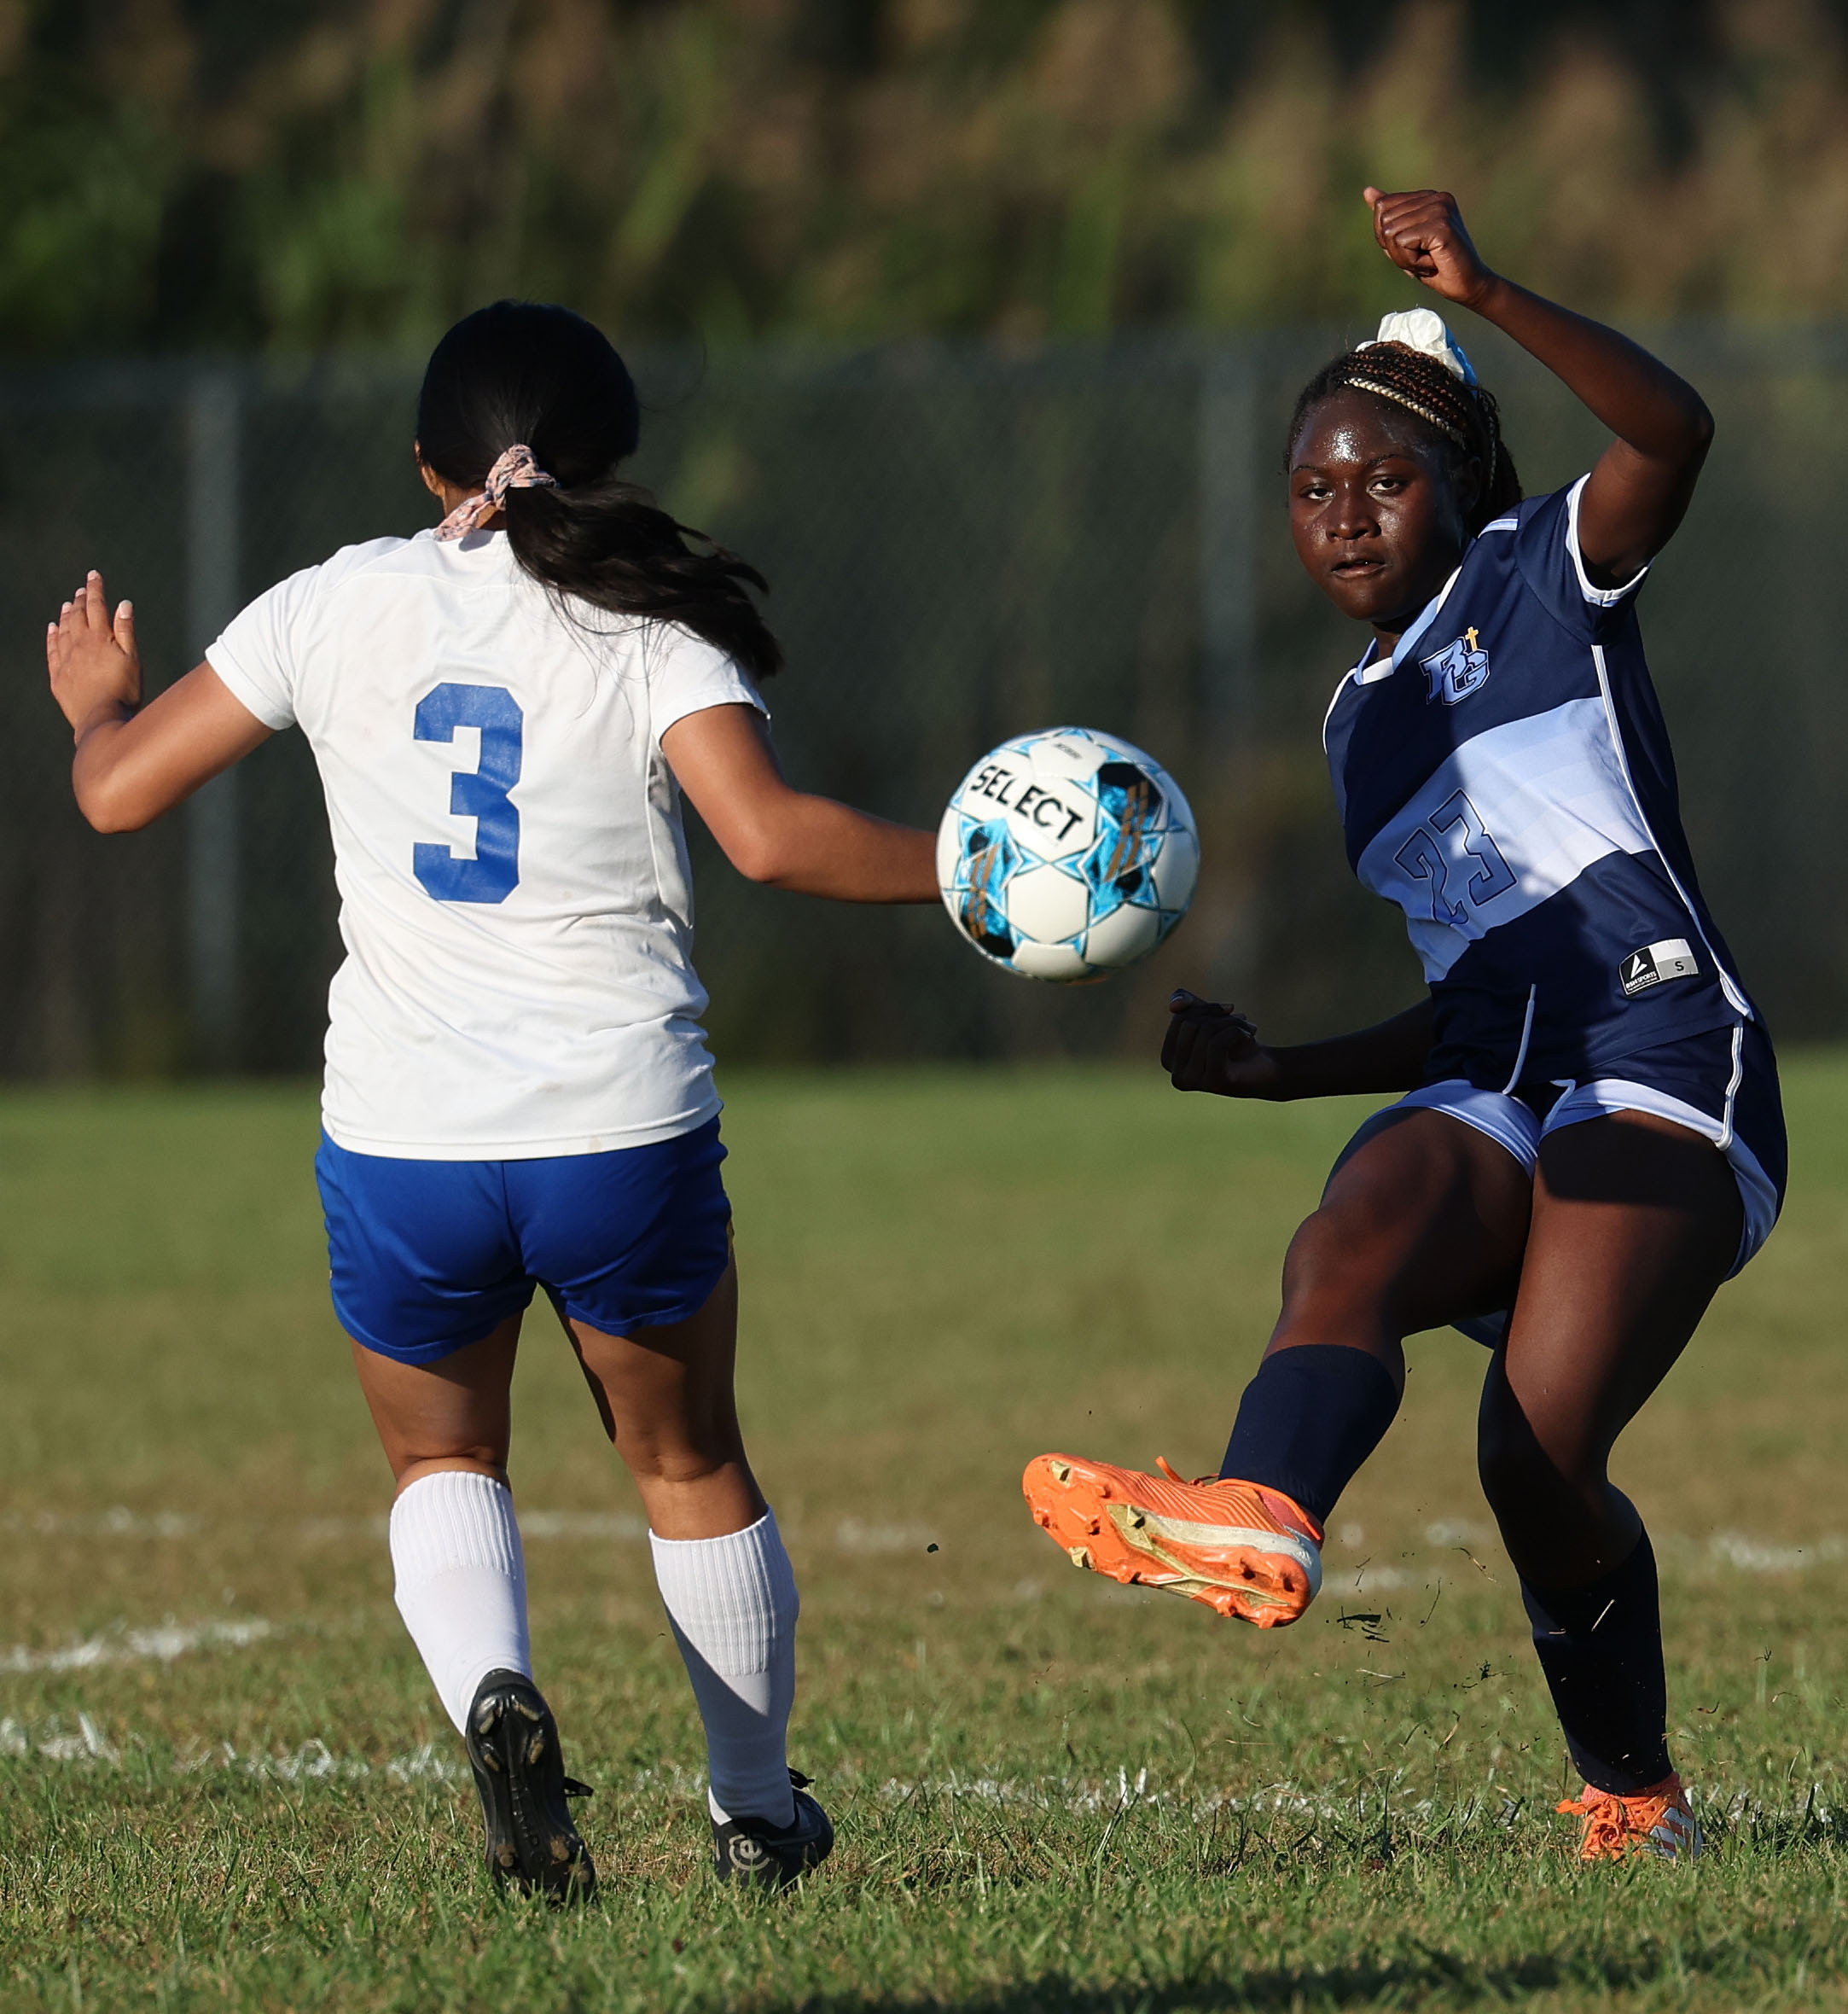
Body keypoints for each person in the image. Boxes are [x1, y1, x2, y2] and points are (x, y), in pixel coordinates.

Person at [45, 301, 940, 1900]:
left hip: (406, 1141)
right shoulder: (652, 625)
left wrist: (98, 702)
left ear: (425, 464)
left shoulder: (331, 602)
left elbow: (116, 796)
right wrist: (972, 871)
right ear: (608, 465)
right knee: (685, 1466)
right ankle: (752, 1814)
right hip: (618, 1127)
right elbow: (773, 839)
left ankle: (494, 1700)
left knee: (441, 1469)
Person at [1022, 188, 1785, 1864]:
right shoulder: (1358, 726)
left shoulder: (1548, 569)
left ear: (1458, 486)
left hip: (1662, 1063)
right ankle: (1269, 1506)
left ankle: (1633, 1795)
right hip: (1510, 1076)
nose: (1347, 512)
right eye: (1313, 488)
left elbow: (1681, 423)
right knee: (1361, 1209)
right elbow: (1471, 997)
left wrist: (1490, 285)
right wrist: (1274, 1068)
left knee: (1535, 1446)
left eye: (1384, 477)